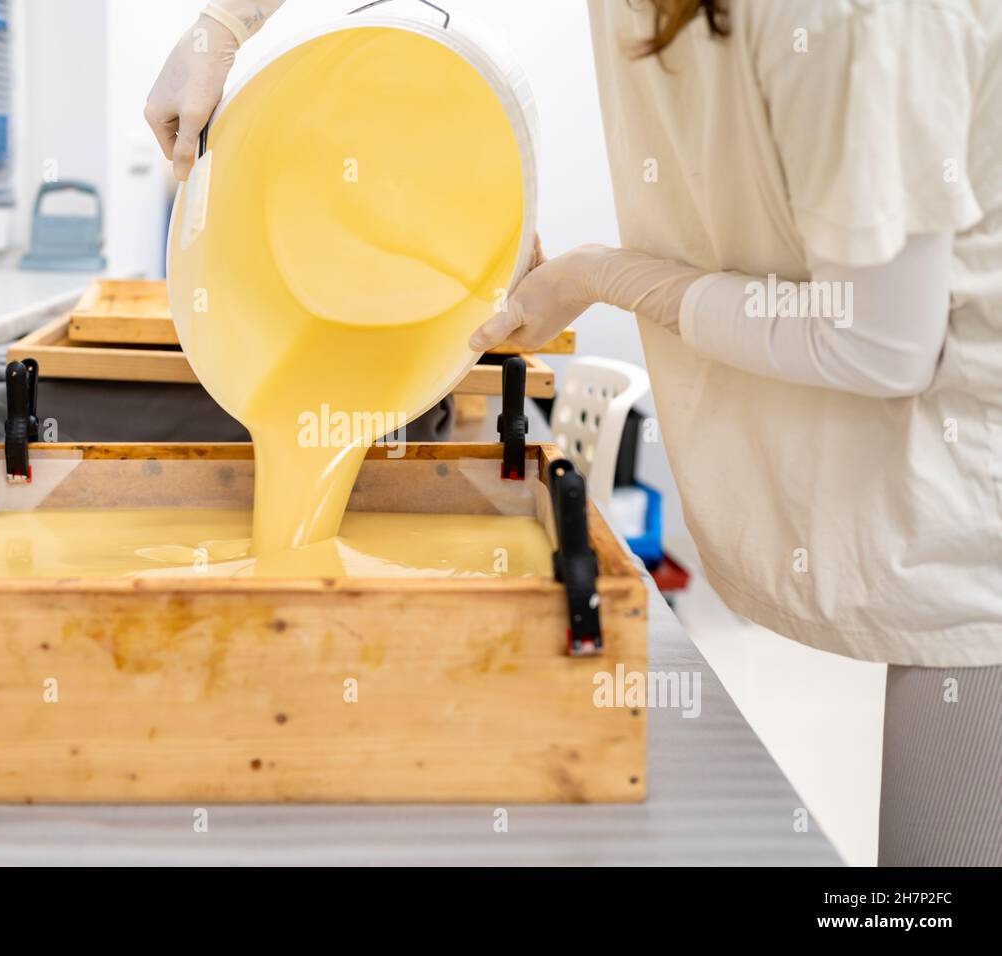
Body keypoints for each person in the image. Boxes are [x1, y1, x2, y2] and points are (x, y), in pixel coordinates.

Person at [146, 0, 1002, 866]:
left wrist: (602, 276)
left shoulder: (863, 19)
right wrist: (224, 24)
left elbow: (880, 341)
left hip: (969, 490)